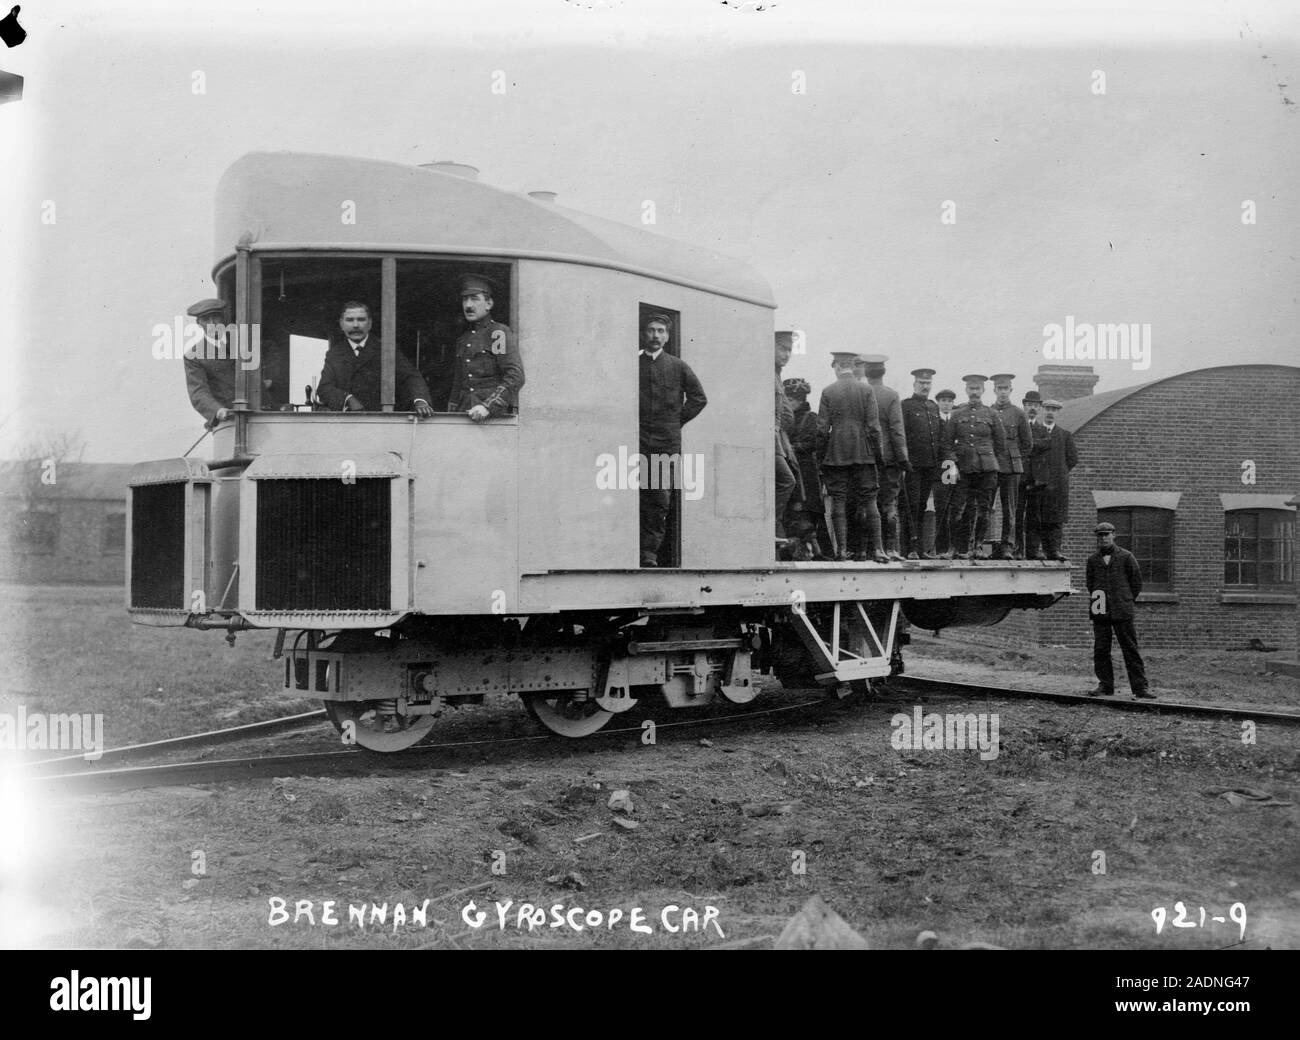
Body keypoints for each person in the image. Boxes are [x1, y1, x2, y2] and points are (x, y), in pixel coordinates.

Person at [639, 313, 707, 567]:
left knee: (658, 499)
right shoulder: (632, 363)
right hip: (634, 439)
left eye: (661, 331)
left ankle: (649, 553)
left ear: (667, 336)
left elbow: (699, 398)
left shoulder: (678, 366)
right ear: (644, 333)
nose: (655, 335)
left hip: (663, 444)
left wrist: (674, 421)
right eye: (651, 330)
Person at [818, 352, 885, 562]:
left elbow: (821, 429)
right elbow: (874, 427)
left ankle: (842, 551)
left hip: (836, 454)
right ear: (853, 367)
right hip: (863, 453)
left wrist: (822, 456)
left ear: (837, 366)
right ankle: (878, 550)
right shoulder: (866, 389)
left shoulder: (828, 391)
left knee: (838, 500)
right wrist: (878, 455)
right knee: (869, 499)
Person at [317, 301, 434, 415]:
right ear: (341, 324)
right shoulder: (334, 354)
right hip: (349, 423)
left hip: (382, 421)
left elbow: (411, 377)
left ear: (370, 324)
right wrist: (348, 399)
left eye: (361, 319)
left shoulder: (386, 349)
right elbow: (324, 388)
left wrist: (420, 400)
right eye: (350, 320)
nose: (356, 325)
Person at [941, 374, 1006, 560]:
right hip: (962, 469)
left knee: (983, 508)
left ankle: (977, 547)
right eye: (971, 389)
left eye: (978, 389)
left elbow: (1000, 445)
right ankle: (954, 548)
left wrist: (992, 462)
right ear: (966, 391)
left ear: (983, 390)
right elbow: (946, 444)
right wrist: (953, 463)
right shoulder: (957, 414)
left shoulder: (991, 414)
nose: (974, 392)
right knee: (957, 508)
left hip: (986, 470)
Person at [1086, 522, 1153, 699]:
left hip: (1122, 609)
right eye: (1100, 535)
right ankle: (1105, 685)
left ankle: (1140, 688)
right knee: (1101, 649)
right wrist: (1100, 602)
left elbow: (1136, 583)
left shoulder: (1126, 557)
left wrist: (1124, 600)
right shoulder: (1092, 560)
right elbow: (1090, 584)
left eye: (1107, 534)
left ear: (1114, 535)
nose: (1103, 538)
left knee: (1130, 648)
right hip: (1099, 607)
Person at [447, 275, 525, 421]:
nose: (468, 305)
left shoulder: (498, 332)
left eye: (474, 299)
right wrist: (451, 415)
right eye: (465, 299)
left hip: (491, 417)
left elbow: (515, 375)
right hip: (463, 414)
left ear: (488, 304)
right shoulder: (463, 339)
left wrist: (488, 406)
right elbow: (458, 384)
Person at [857, 354, 910, 560]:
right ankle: (891, 549)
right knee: (889, 503)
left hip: (865, 458)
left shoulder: (860, 393)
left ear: (866, 372)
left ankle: (863, 550)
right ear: (883, 372)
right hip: (888, 459)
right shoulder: (891, 395)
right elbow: (897, 430)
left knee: (865, 503)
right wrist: (903, 458)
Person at [784, 376, 831, 559]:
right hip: (793, 472)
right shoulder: (786, 419)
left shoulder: (811, 418)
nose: (787, 402)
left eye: (790, 399)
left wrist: (793, 447)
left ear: (800, 399)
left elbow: (815, 442)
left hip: (807, 474)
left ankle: (820, 552)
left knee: (810, 513)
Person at [900, 367, 943, 559]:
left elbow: (938, 436)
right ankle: (909, 548)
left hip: (930, 466)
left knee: (923, 506)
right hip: (912, 466)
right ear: (914, 384)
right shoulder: (906, 406)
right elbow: (901, 436)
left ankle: (919, 549)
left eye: (928, 383)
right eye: (922, 383)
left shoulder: (934, 407)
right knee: (911, 506)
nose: (925, 386)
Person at [989, 373, 1033, 559]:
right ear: (994, 390)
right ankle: (981, 546)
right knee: (986, 506)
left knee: (1010, 509)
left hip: (1011, 468)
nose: (1003, 392)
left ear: (1011, 390)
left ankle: (1008, 546)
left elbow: (1027, 443)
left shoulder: (1018, 414)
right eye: (1000, 388)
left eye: (1006, 388)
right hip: (990, 466)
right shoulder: (988, 411)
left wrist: (1015, 458)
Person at [1033, 399, 1078, 561]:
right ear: (1042, 411)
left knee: (1056, 520)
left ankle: (1054, 550)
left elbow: (1072, 459)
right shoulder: (1034, 432)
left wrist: (1058, 474)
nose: (1050, 412)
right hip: (1037, 485)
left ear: (1058, 413)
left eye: (1054, 409)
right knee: (1036, 518)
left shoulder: (1065, 435)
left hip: (1057, 486)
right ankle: (1036, 550)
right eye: (1047, 409)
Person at [184, 298, 237, 428]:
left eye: (215, 318)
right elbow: (199, 393)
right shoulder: (194, 355)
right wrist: (218, 410)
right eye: (206, 320)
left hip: (262, 415)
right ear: (199, 323)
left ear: (223, 318)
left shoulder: (243, 342)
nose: (212, 324)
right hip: (229, 420)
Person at [774, 332, 802, 546]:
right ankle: (769, 524)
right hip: (771, 441)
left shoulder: (776, 374)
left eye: (789, 350)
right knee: (787, 481)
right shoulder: (767, 373)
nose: (786, 354)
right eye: (782, 348)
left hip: (778, 441)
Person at [1018, 390, 1049, 558]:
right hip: (1019, 478)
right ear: (1024, 406)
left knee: (1034, 517)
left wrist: (1028, 444)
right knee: (1016, 514)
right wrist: (1035, 446)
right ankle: (1016, 549)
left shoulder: (1042, 429)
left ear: (1039, 408)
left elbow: (1046, 444)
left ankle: (1033, 550)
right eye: (1029, 405)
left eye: (1035, 405)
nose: (1032, 408)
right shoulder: (1017, 426)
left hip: (1036, 481)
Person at [932, 388, 957, 556]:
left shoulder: (957, 421)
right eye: (943, 401)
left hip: (956, 470)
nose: (947, 404)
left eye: (949, 401)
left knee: (956, 508)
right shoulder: (934, 422)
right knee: (941, 508)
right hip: (940, 471)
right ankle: (941, 547)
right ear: (939, 403)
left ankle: (955, 547)